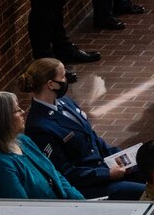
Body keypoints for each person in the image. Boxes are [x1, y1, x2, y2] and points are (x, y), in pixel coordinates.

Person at [19, 58, 143, 199]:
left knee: (152, 171)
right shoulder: (39, 126)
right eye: (63, 76)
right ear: (51, 84)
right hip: (87, 184)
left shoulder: (65, 102)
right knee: (141, 190)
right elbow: (63, 172)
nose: (66, 79)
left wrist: (122, 156)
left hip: (104, 168)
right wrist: (106, 174)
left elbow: (92, 138)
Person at [0, 91, 84, 200]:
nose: (22, 112)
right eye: (17, 110)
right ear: (3, 119)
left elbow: (55, 174)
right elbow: (22, 205)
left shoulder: (23, 140)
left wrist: (79, 200)